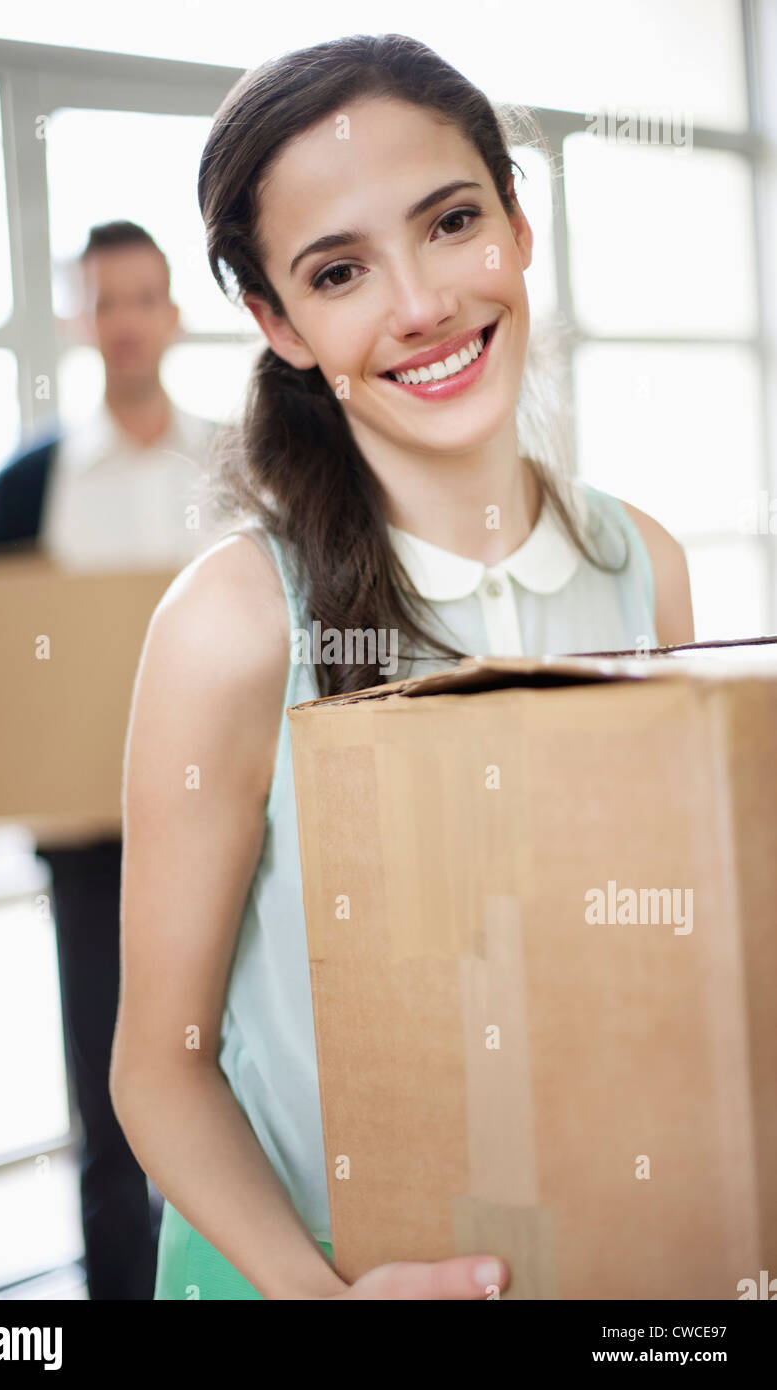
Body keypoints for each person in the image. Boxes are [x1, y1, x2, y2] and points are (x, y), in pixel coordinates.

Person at [110, 35, 695, 1301]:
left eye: (449, 222)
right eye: (338, 270)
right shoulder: (234, 622)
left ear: (517, 226)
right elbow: (159, 1064)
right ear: (276, 323)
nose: (420, 303)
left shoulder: (642, 569)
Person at [0, 220, 219, 1300]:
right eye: (107, 300)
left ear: (173, 312)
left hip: (230, 828)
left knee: (242, 1089)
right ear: (80, 319)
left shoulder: (236, 468)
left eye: (145, 297)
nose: (128, 320)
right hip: (94, 853)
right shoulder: (27, 487)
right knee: (113, 1103)